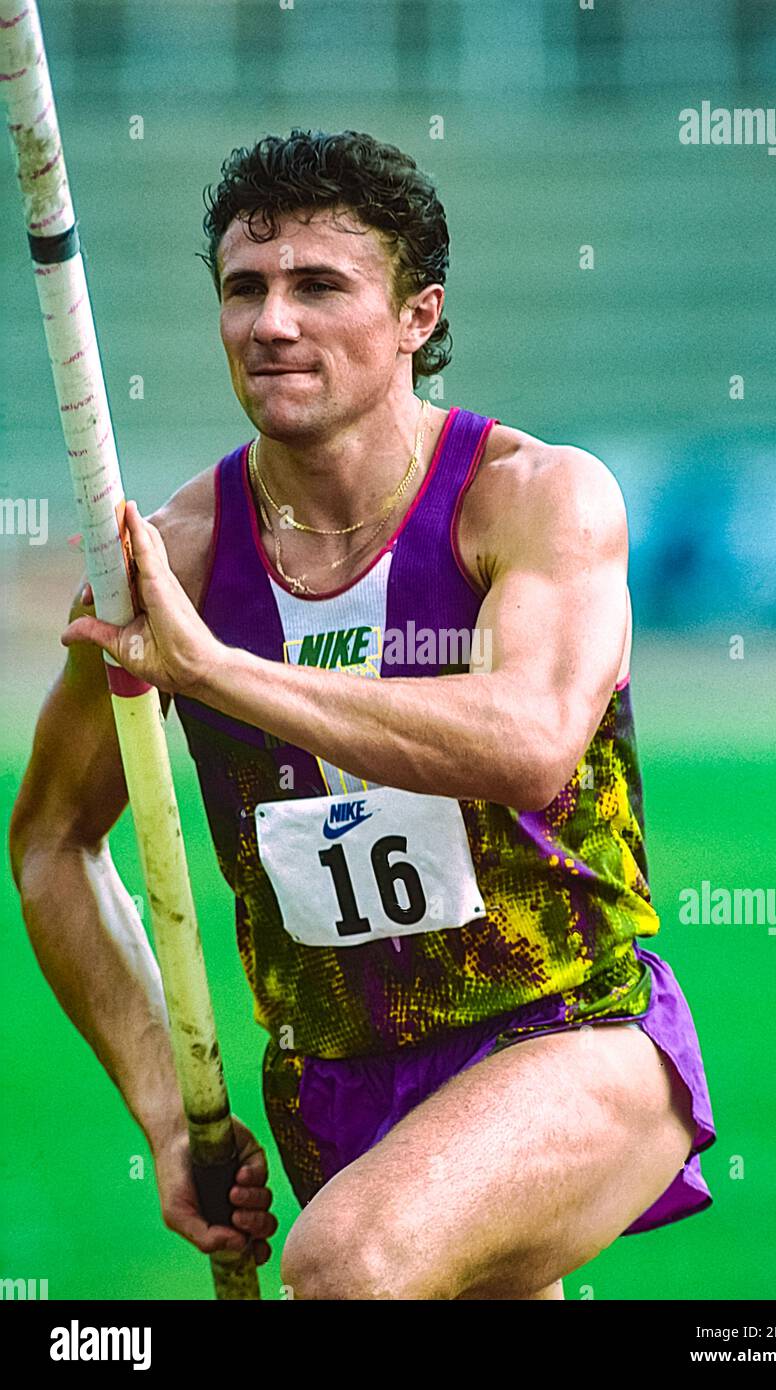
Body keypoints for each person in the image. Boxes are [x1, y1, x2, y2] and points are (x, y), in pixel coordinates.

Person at [9, 129, 716, 1301]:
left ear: (416, 318)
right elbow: (48, 841)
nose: (271, 322)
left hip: (572, 1036)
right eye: (245, 288)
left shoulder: (530, 500)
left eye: (318, 286)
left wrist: (219, 674)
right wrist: (163, 1112)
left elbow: (530, 742)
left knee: (347, 1264)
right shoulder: (170, 563)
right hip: (335, 1090)